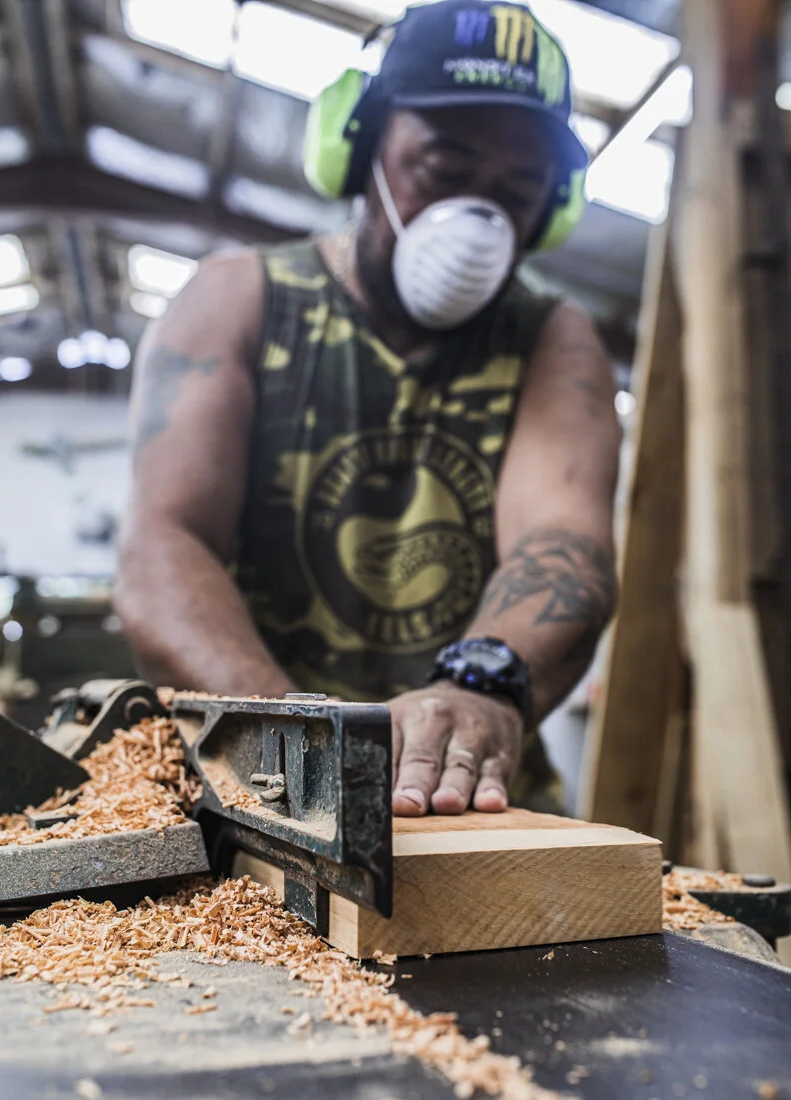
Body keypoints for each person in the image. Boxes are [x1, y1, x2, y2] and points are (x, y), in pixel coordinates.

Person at [116, 0, 620, 820]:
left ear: (552, 208)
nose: (478, 215)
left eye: (518, 186)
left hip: (465, 804)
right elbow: (162, 547)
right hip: (248, 798)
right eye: (442, 164)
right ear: (359, 150)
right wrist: (294, 741)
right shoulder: (237, 300)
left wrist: (480, 687)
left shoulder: (552, 340)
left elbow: (561, 545)